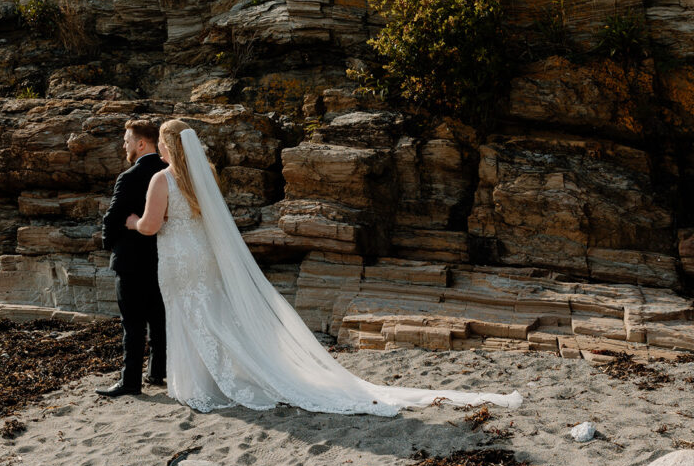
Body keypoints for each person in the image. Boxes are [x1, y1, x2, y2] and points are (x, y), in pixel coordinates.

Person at [124, 119, 522, 415]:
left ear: (168, 146)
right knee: (213, 314)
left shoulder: (162, 180)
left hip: (178, 259)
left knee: (189, 315)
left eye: (161, 142)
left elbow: (152, 225)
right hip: (204, 257)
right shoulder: (203, 177)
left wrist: (132, 222)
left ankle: (200, 384)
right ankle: (220, 376)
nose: (159, 148)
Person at [97, 120, 168, 397]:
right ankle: (157, 371)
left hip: (132, 261)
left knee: (133, 323)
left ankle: (130, 382)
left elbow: (113, 217)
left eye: (127, 141)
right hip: (163, 257)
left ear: (141, 143)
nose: (124, 145)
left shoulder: (130, 176)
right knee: (160, 318)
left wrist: (110, 244)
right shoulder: (169, 172)